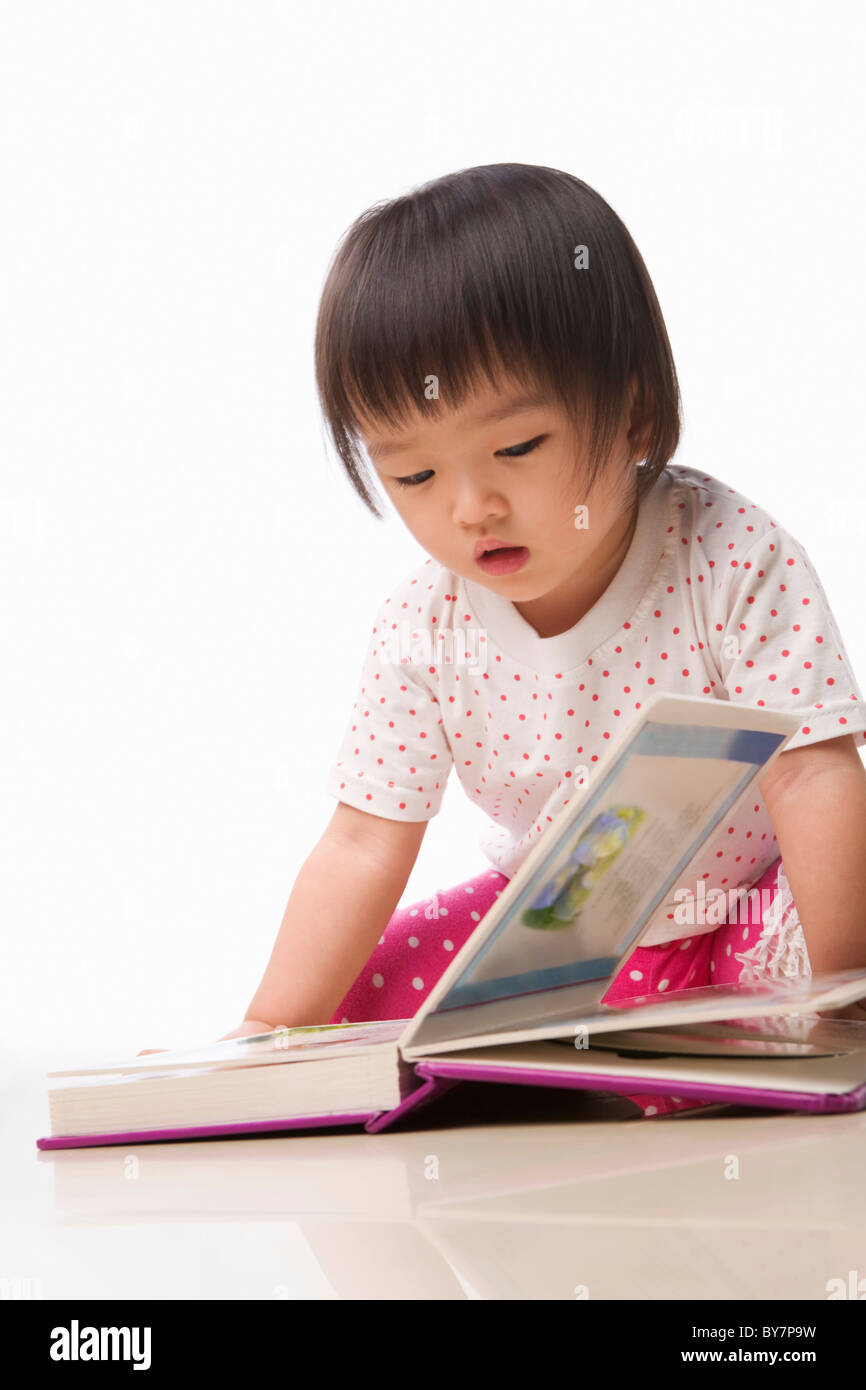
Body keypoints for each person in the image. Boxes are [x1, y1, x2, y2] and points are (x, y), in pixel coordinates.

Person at [164, 164, 866, 1116]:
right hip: (562, 948)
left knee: (840, 931)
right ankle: (594, 1071)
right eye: (412, 474)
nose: (470, 507)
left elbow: (815, 776)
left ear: (634, 411)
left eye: (517, 449)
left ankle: (718, 1052)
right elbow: (366, 840)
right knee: (357, 1017)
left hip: (747, 910)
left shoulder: (728, 556)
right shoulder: (426, 627)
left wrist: (843, 1001)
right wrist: (268, 1035)